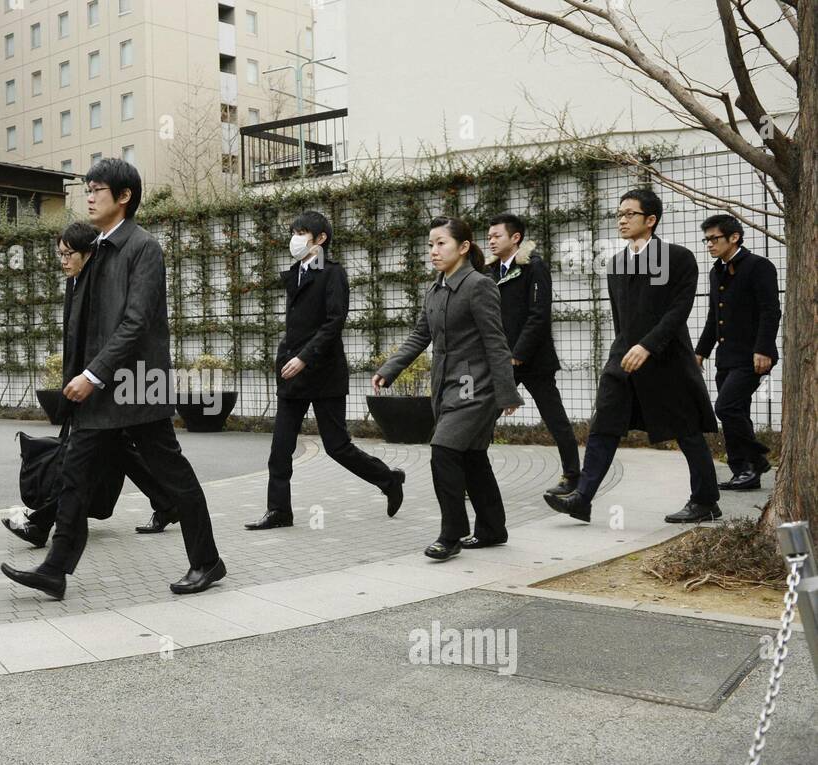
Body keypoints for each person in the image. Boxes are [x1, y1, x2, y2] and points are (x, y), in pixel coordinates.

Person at [0, 158, 225, 599]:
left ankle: (207, 562)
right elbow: (84, 325)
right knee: (74, 478)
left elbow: (136, 322)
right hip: (98, 393)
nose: (88, 196)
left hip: (137, 386)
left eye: (98, 189)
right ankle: (55, 570)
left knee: (173, 477)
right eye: (87, 189)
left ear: (123, 197)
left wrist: (92, 374)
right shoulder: (98, 250)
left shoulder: (144, 248)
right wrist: (80, 377)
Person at [544, 189, 720, 524]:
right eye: (619, 214)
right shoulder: (617, 263)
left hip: (667, 360)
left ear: (650, 220)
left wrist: (648, 345)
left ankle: (706, 500)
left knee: (686, 430)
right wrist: (625, 348)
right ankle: (582, 499)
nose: (622, 220)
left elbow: (678, 311)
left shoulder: (678, 258)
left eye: (630, 214)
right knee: (604, 424)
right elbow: (621, 315)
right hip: (623, 360)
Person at [2, 221, 180, 547]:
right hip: (96, 385)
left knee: (88, 462)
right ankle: (167, 504)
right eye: (60, 254)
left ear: (88, 254)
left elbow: (122, 331)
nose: (63, 261)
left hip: (119, 384)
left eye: (69, 254)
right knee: (114, 455)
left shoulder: (111, 276)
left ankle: (44, 528)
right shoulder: (76, 283)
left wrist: (90, 378)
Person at [246, 210, 406, 531]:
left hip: (323, 371)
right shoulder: (296, 273)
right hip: (292, 371)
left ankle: (388, 479)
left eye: (302, 232)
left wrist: (304, 357)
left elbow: (334, 322)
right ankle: (279, 510)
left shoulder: (333, 274)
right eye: (294, 231)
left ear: (320, 239)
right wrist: (289, 357)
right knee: (280, 447)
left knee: (337, 446)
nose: (295, 238)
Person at [373, 217, 522, 561]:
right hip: (446, 384)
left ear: (464, 247)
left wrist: (506, 392)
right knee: (471, 457)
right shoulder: (436, 287)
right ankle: (492, 528)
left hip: (475, 387)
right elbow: (419, 335)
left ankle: (451, 533)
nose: (434, 251)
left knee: (443, 450)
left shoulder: (479, 286)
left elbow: (496, 343)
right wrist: (390, 369)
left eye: (441, 243)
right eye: (431, 245)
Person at [485, 213, 580, 495]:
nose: (490, 241)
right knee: (483, 418)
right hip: (503, 360)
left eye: (496, 236)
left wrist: (518, 354)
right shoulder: (490, 272)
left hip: (534, 361)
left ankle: (573, 476)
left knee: (555, 419)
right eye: (489, 236)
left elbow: (539, 315)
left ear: (516, 238)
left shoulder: (534, 268)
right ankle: (475, 477)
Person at [694, 214, 780, 491]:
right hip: (726, 357)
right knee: (737, 411)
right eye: (706, 239)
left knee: (726, 407)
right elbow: (713, 316)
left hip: (753, 356)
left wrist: (764, 349)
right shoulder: (716, 270)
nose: (709, 244)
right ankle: (744, 471)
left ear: (734, 237)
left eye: (714, 238)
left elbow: (771, 311)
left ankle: (756, 459)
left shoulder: (759, 266)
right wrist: (700, 352)